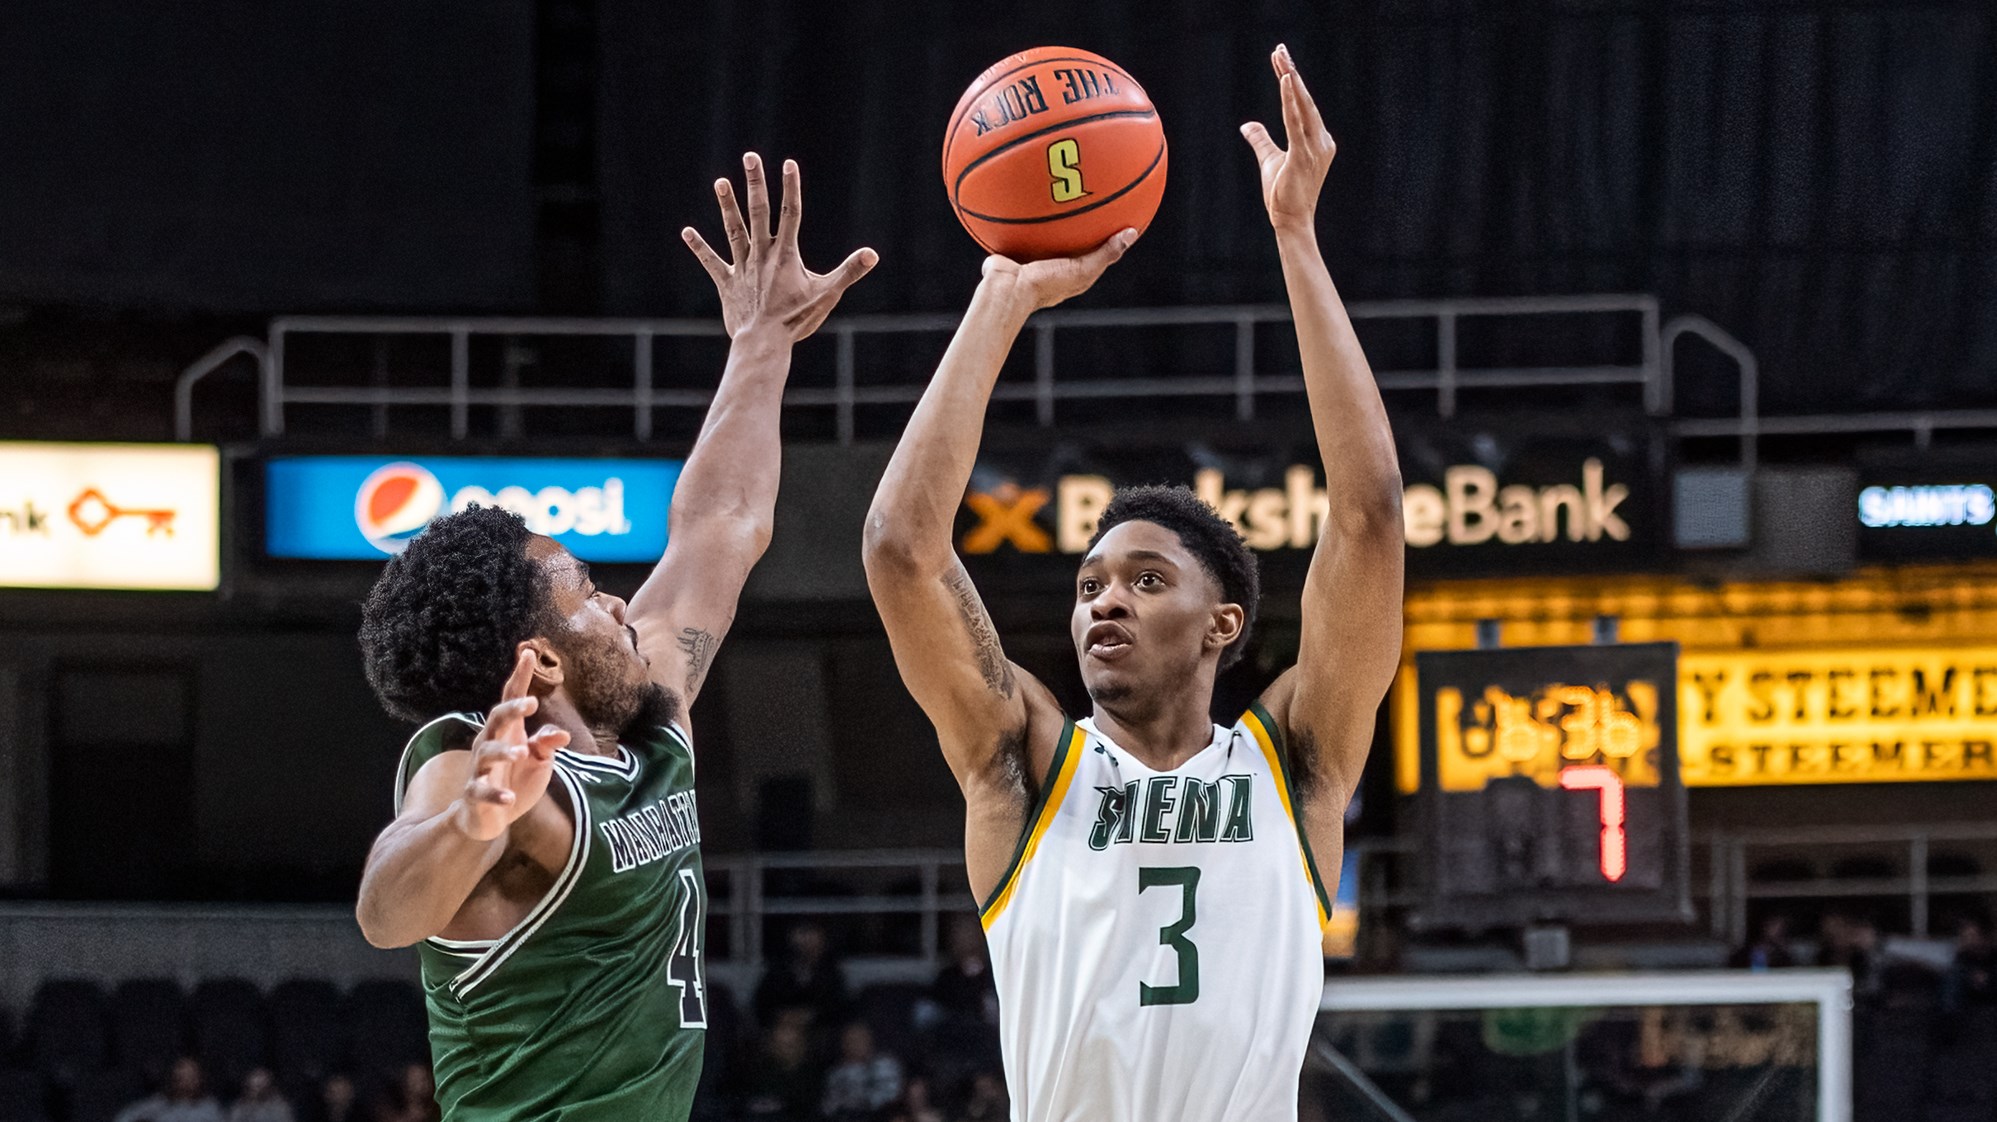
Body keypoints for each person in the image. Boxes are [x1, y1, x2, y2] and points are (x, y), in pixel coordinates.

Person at [863, 46, 1400, 1122]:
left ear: (1223, 626)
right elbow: (899, 551)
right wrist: (1000, 300)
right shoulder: (1022, 762)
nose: (1102, 601)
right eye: (1089, 584)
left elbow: (1370, 514)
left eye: (1146, 580)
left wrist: (1295, 239)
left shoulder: (1295, 764)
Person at [353, 153, 876, 1121]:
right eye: (586, 592)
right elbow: (388, 908)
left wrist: (762, 343)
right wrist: (468, 820)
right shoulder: (485, 774)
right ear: (540, 658)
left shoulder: (646, 708)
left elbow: (720, 524)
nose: (618, 607)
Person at [754, 921, 850, 1029]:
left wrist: (810, 1016)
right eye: (803, 933)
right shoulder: (778, 970)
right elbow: (762, 1003)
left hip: (820, 1030)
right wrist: (783, 1016)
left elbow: (837, 1007)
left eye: (813, 933)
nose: (808, 940)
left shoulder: (831, 972)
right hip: (782, 1029)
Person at [820, 1022, 903, 1119]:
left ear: (869, 1040)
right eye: (850, 1041)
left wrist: (858, 1102)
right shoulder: (837, 1073)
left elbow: (890, 1096)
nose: (855, 1045)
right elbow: (829, 1105)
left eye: (859, 1039)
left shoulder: (885, 1064)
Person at [114, 1057, 226, 1122]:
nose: (185, 1081)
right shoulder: (157, 1103)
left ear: (199, 1079)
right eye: (181, 1077)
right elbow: (125, 1116)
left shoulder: (210, 1107)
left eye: (190, 1077)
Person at [226, 1069, 295, 1122]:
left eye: (260, 1086)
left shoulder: (280, 1107)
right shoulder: (240, 1108)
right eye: (253, 1087)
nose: (256, 1091)